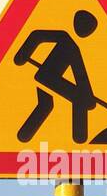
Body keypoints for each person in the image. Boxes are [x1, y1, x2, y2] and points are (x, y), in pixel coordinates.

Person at [13, 10, 99, 144]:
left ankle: (79, 138)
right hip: (46, 76)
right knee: (51, 104)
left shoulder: (73, 47)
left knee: (49, 105)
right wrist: (22, 55)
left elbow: (80, 74)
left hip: (50, 79)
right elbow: (37, 35)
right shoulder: (65, 38)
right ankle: (79, 138)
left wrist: (87, 95)